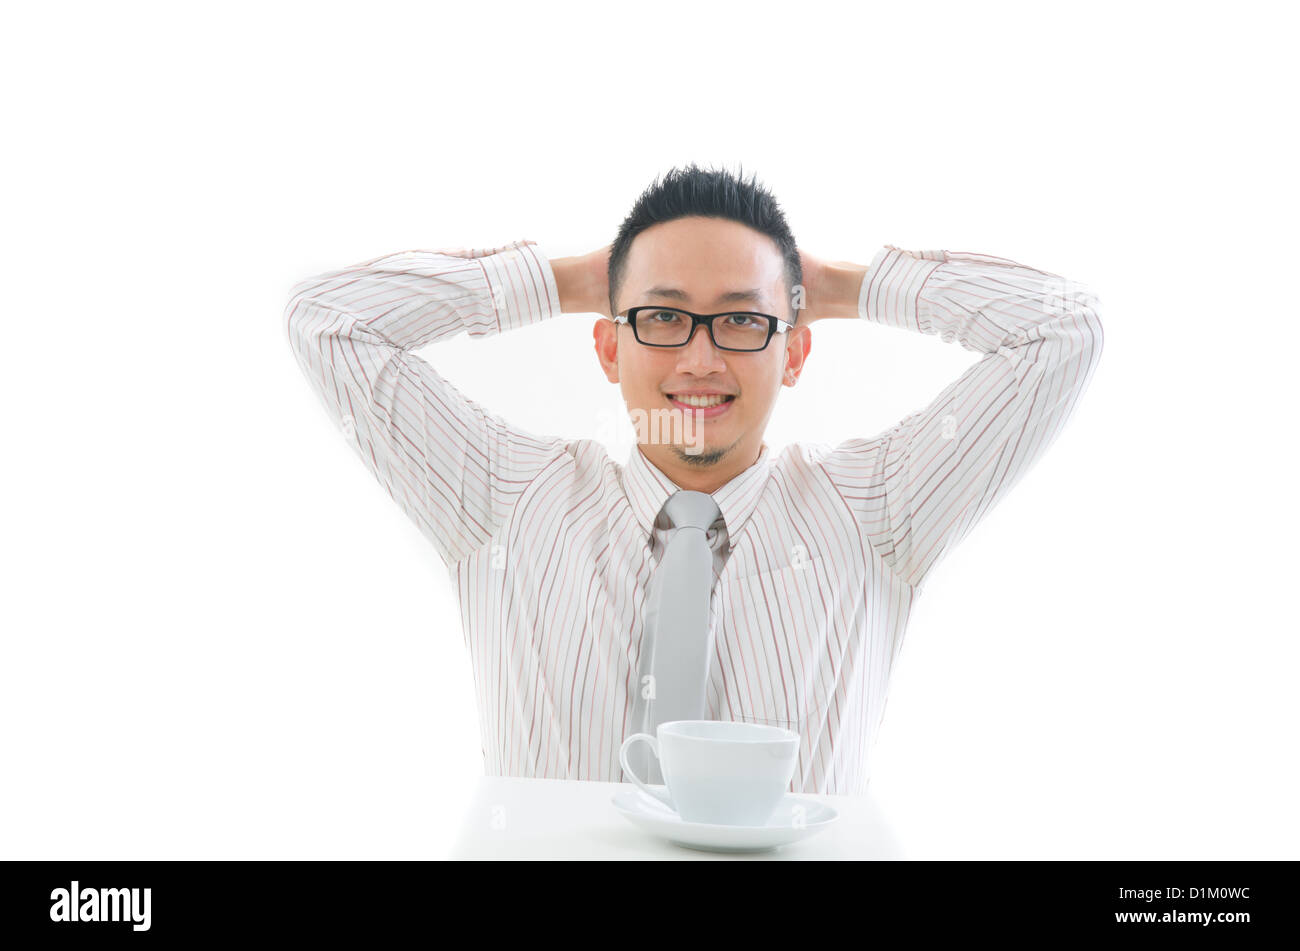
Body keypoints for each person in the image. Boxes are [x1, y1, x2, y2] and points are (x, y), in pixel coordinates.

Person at [283, 163, 1103, 796]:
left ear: (796, 350)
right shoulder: (506, 497)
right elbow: (328, 320)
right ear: (608, 347)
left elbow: (1062, 329)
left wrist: (846, 286)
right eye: (663, 317)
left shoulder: (878, 511)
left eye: (742, 319)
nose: (701, 359)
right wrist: (569, 279)